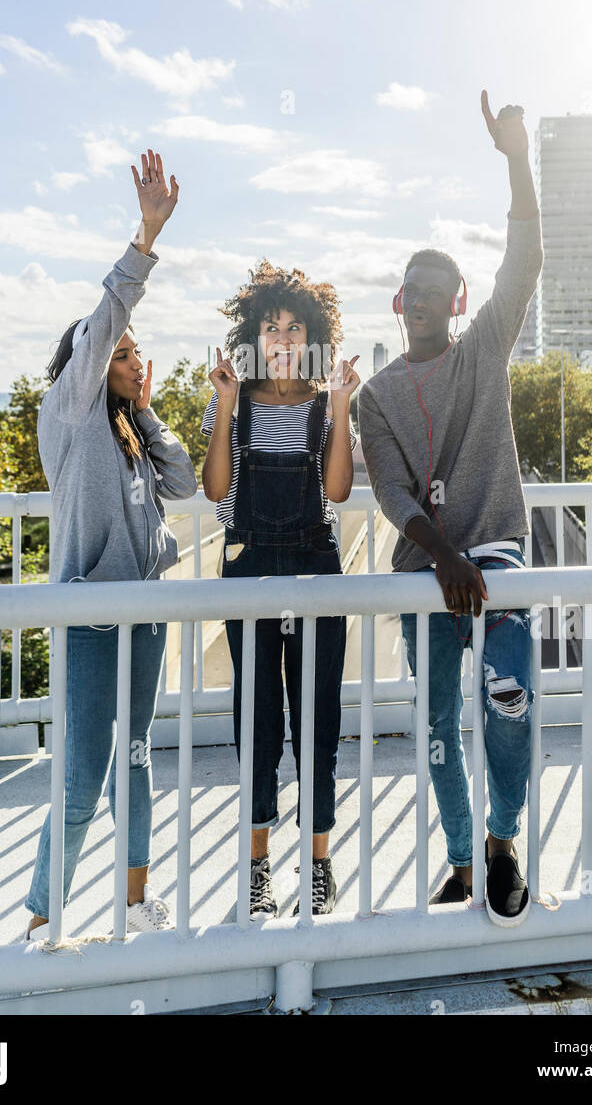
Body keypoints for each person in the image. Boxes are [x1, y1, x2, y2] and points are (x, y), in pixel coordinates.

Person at [358, 92, 543, 927]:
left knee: (507, 690)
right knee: (434, 725)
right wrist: (438, 556)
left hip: (495, 549)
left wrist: (515, 158)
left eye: (438, 285)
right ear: (400, 304)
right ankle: (464, 860)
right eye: (412, 287)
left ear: (457, 301)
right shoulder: (377, 396)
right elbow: (393, 493)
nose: (424, 294)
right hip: (426, 567)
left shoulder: (485, 347)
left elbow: (526, 260)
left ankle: (503, 842)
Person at [24, 149, 197, 941]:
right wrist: (147, 234)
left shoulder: (128, 432)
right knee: (84, 773)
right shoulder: (66, 415)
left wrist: (149, 409)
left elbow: (187, 485)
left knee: (136, 758)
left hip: (146, 611)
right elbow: (105, 323)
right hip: (92, 620)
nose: (130, 359)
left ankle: (135, 901)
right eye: (121, 353)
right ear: (91, 362)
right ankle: (40, 918)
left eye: (133, 353)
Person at [201, 261, 360, 917]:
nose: (284, 337)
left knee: (317, 720)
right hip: (250, 567)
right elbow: (214, 492)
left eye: (296, 326)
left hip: (314, 567)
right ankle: (258, 864)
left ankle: (319, 864)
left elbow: (338, 492)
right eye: (272, 326)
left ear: (315, 334)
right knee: (257, 719)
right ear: (255, 334)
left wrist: (344, 407)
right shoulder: (231, 398)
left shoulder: (327, 403)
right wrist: (227, 406)